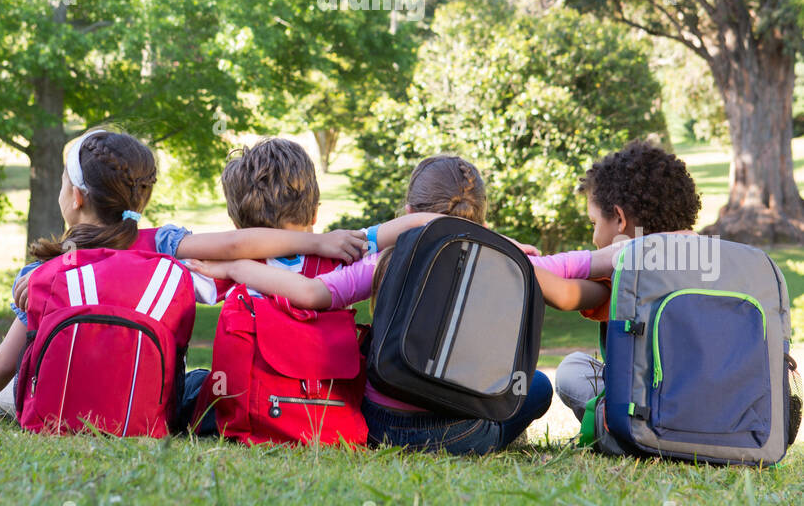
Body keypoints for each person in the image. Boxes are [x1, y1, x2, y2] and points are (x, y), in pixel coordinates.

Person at [188, 152, 617, 454]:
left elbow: (314, 294)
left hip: (380, 425)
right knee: (536, 388)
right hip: (461, 432)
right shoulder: (509, 262)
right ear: (483, 219)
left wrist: (239, 269)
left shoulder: (381, 259)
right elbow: (574, 265)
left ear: (408, 211)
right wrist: (620, 256)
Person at [0, 128, 366, 425]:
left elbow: (4, 360)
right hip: (145, 402)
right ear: (141, 195)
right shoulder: (161, 245)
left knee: (15, 385)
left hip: (58, 392)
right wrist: (315, 242)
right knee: (199, 383)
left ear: (74, 197)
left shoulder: (46, 269)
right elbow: (237, 246)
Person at [553, 140, 702, 423]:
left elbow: (562, 293)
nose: (594, 236)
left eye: (593, 223)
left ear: (619, 219)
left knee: (572, 369)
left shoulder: (623, 275)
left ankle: (611, 422)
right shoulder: (715, 262)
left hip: (650, 414)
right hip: (720, 408)